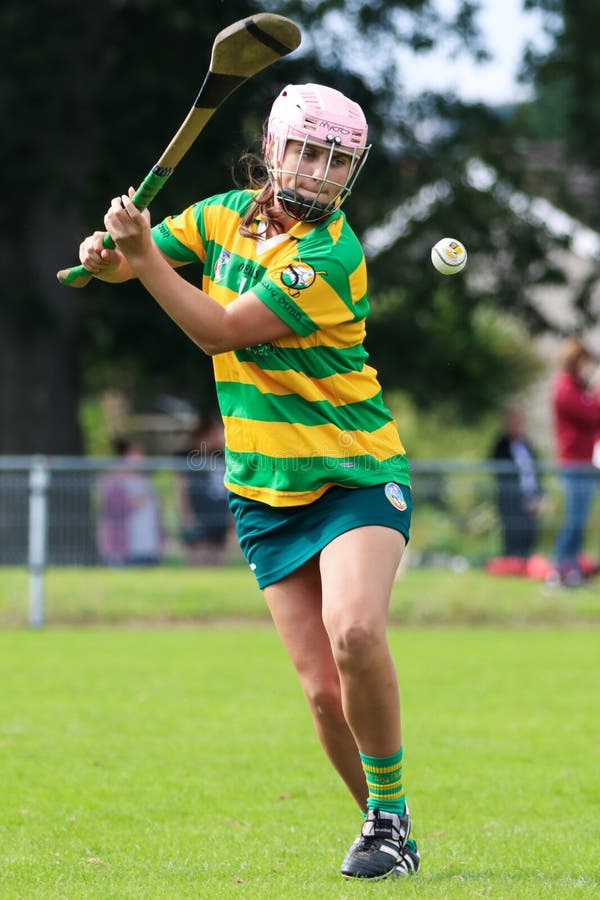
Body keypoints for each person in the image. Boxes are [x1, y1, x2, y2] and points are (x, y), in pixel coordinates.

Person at [79, 83, 419, 879]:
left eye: (338, 160)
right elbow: (142, 259)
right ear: (273, 149)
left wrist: (142, 257)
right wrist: (110, 257)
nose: (320, 172)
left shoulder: (330, 255)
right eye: (308, 151)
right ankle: (385, 823)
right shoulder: (223, 214)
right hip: (262, 489)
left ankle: (390, 820)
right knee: (321, 696)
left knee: (356, 634)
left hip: (355, 473)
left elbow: (217, 330)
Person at [551, 337, 600, 586]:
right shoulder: (566, 389)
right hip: (573, 464)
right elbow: (593, 414)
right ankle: (558, 570)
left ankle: (574, 571)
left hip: (584, 463)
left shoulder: (579, 389)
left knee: (580, 522)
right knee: (574, 521)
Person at [489, 407, 543, 568]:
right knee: (512, 532)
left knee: (529, 533)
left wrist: (538, 495)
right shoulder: (501, 445)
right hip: (511, 498)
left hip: (530, 496)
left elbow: (537, 472)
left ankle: (527, 564)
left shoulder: (527, 445)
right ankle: (511, 564)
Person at [97, 439, 164, 566]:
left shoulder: (147, 481)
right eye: (136, 454)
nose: (141, 458)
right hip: (124, 547)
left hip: (149, 545)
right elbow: (110, 510)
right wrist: (132, 504)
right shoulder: (113, 481)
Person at [176, 415, 232, 566]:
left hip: (218, 514)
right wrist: (186, 514)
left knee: (218, 559)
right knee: (198, 558)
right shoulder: (190, 456)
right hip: (199, 513)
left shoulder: (222, 455)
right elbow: (181, 487)